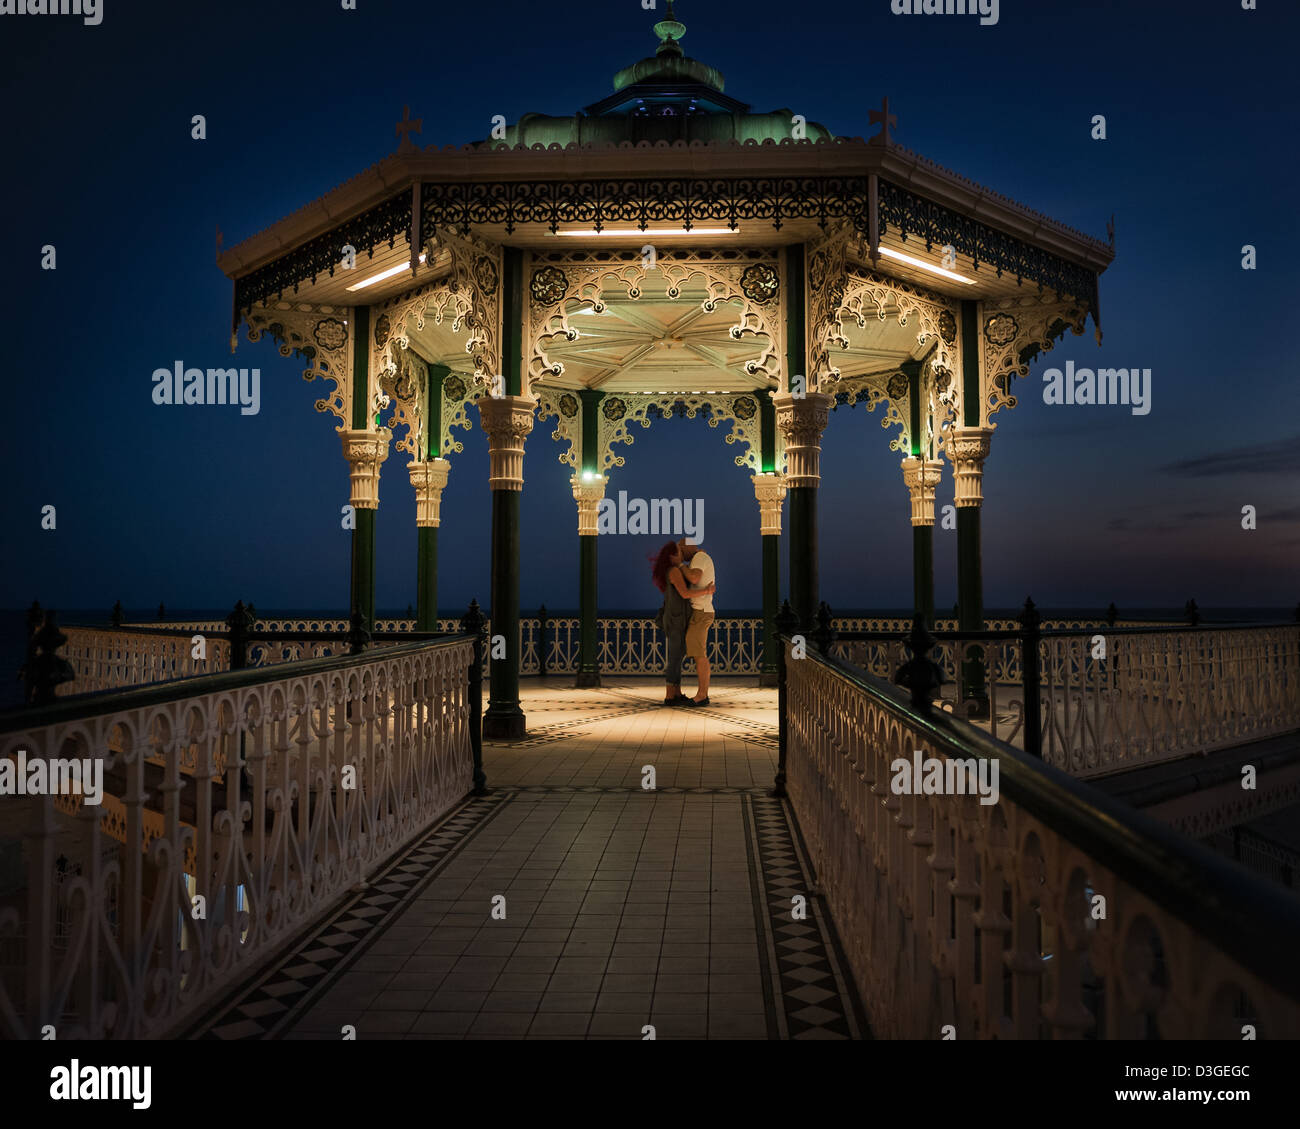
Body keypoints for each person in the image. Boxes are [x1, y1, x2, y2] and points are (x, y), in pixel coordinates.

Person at [650, 540, 714, 706]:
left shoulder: (677, 570)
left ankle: (676, 693)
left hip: (678, 617)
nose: (681, 554)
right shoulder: (674, 571)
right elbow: (685, 594)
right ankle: (671, 695)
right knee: (675, 657)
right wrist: (707, 591)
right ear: (673, 556)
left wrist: (699, 555)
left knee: (677, 655)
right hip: (676, 619)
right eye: (679, 551)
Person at [677, 538, 716, 706]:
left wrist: (680, 565)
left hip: (701, 612)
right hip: (701, 612)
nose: (679, 552)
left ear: (688, 547)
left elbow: (694, 578)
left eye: (680, 548)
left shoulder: (699, 558)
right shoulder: (698, 558)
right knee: (699, 654)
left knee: (700, 655)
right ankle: (702, 693)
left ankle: (702, 695)